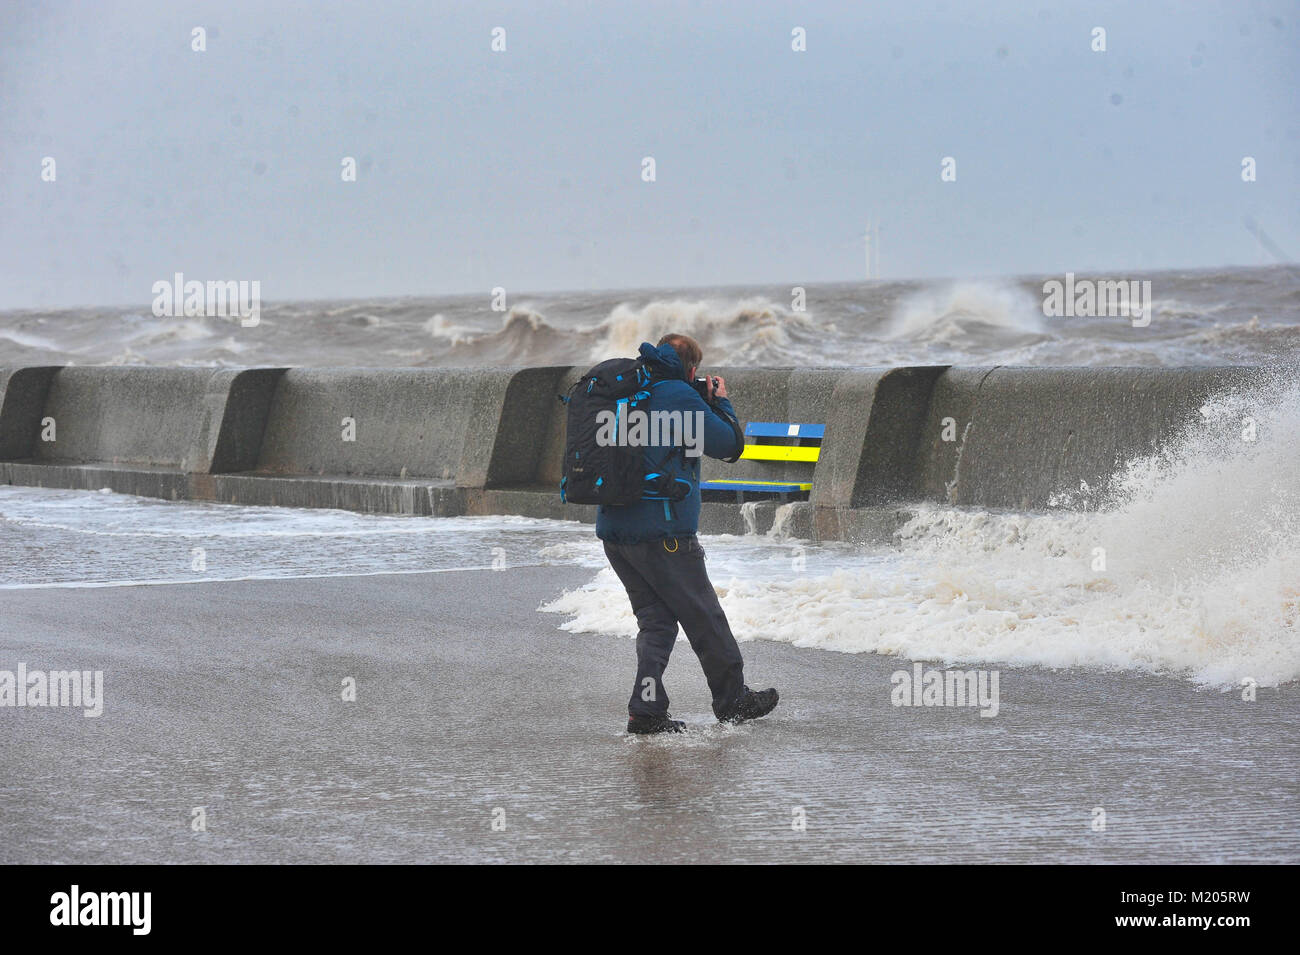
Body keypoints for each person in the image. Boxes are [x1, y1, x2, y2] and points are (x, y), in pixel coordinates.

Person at [597, 333, 780, 734]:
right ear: (691, 368)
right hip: (663, 534)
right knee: (706, 618)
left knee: (656, 622)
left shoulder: (626, 390)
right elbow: (730, 445)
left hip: (615, 532)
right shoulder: (678, 395)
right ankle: (734, 702)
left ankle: (645, 712)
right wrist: (720, 401)